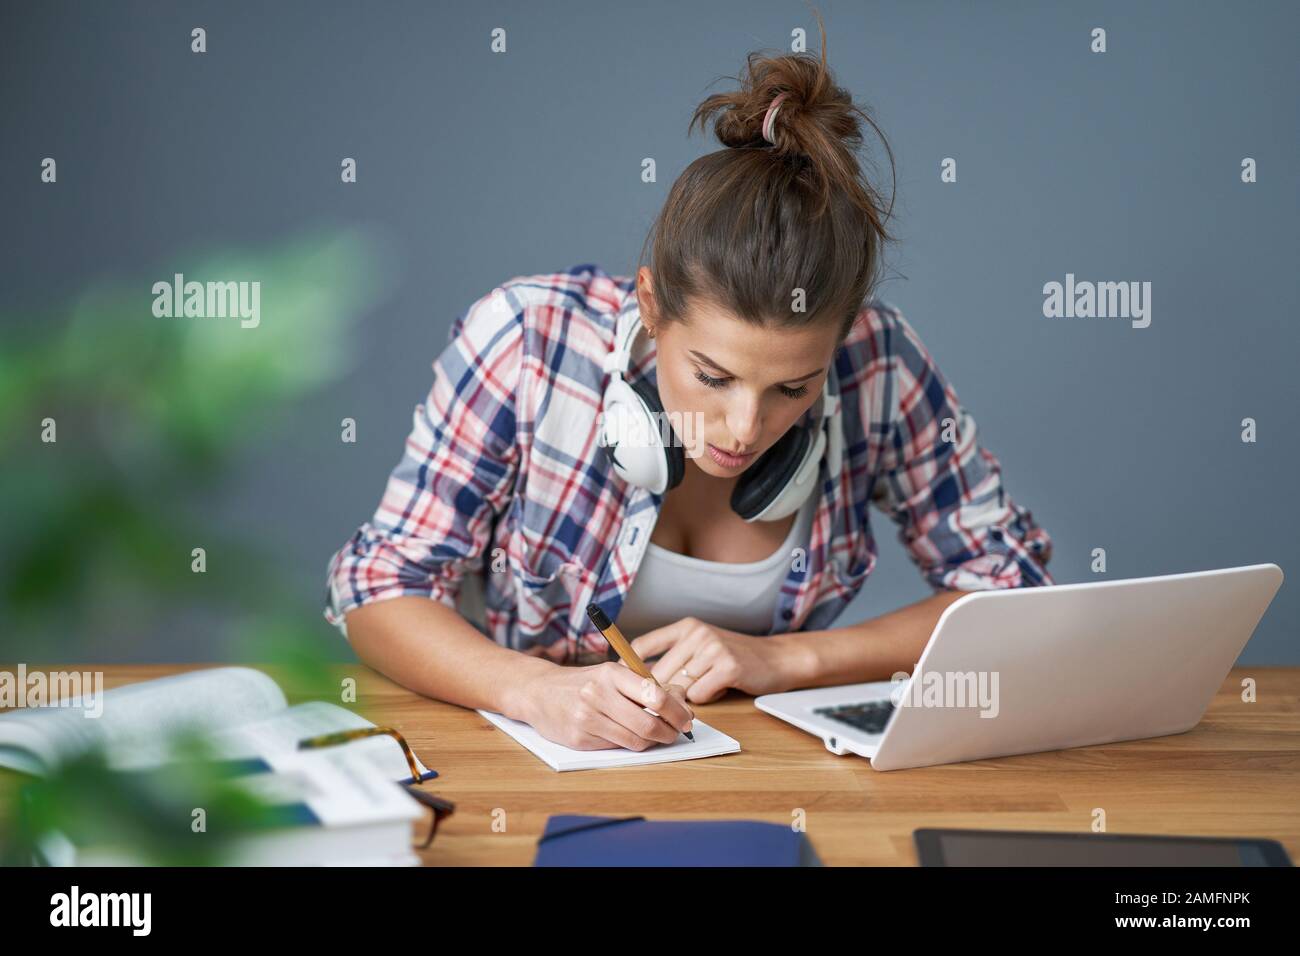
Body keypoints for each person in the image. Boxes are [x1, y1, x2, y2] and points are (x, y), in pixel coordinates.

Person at [323, 26, 1053, 752]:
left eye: (792, 388)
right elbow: (379, 587)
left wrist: (791, 659)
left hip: (769, 779)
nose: (743, 427)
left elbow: (1009, 589)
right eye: (713, 376)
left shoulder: (879, 362)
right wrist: (533, 690)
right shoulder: (527, 339)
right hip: (530, 774)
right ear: (650, 304)